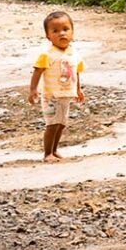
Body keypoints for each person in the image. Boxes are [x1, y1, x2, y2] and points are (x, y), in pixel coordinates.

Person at [27, 10, 85, 162]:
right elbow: (37, 71)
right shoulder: (47, 55)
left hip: (66, 95)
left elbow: (76, 72)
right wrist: (33, 90)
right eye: (55, 31)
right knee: (52, 124)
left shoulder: (74, 54)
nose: (62, 34)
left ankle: (55, 150)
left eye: (66, 29)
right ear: (48, 36)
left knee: (61, 124)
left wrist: (78, 89)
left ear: (72, 32)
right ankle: (47, 153)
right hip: (51, 97)